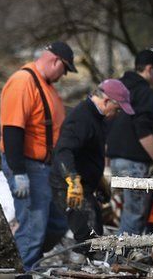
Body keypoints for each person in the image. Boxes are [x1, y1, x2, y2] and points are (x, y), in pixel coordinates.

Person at [0, 41, 76, 271]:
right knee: (33, 227)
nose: (63, 76)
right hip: (27, 166)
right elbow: (12, 129)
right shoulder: (23, 82)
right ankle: (24, 269)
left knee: (57, 222)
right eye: (65, 69)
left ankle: (25, 261)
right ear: (56, 61)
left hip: (45, 167)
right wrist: (19, 172)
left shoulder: (46, 85)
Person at [51, 79, 134, 243]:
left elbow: (89, 153)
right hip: (70, 187)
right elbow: (63, 151)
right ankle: (84, 265)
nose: (117, 113)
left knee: (95, 227)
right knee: (88, 236)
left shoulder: (98, 117)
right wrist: (73, 181)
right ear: (106, 100)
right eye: (117, 108)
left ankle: (89, 264)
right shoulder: (82, 118)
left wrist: (99, 180)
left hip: (86, 185)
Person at [106, 48, 153, 235]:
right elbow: (143, 130)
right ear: (149, 69)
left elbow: (105, 124)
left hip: (114, 160)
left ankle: (126, 257)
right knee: (135, 214)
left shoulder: (117, 87)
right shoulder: (145, 93)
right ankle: (117, 261)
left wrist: (106, 163)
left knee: (126, 213)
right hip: (133, 163)